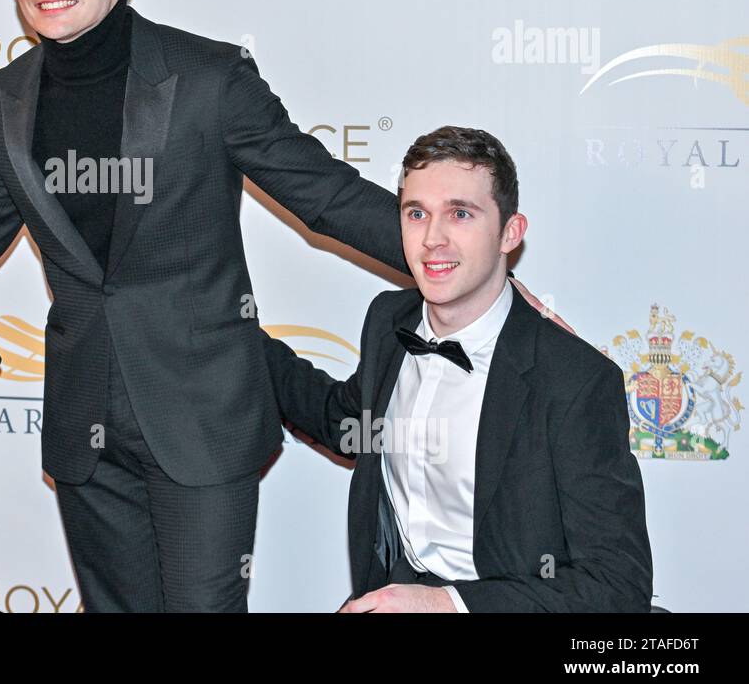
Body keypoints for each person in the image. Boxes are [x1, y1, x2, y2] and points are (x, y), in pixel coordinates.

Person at [0, 0, 420, 612]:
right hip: (83, 425)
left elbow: (323, 197)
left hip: (200, 416)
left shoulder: (208, 78)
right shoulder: (4, 96)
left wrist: (464, 264)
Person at [263, 126, 652, 611]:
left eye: (461, 214)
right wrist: (226, 331)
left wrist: (445, 605)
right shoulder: (388, 322)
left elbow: (617, 585)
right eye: (417, 213)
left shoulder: (574, 379)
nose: (432, 238)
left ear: (510, 233)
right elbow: (340, 421)